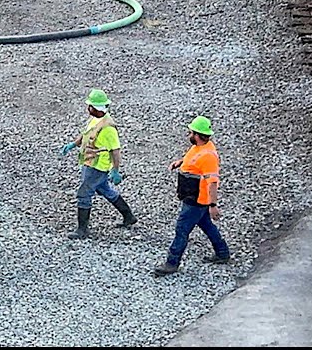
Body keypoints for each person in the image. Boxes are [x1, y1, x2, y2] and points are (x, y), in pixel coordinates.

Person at [154, 116, 231, 276]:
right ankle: (222, 253)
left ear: (197, 134)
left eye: (190, 132)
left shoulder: (208, 156)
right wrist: (181, 162)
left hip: (196, 200)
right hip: (193, 197)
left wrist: (213, 205)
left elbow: (212, 182)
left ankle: (172, 263)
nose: (188, 134)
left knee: (182, 229)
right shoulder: (200, 147)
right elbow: (194, 160)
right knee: (207, 226)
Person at [60, 88, 137, 239]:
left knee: (84, 193)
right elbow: (86, 135)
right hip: (90, 162)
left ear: (95, 108)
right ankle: (128, 216)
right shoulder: (96, 120)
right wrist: (73, 144)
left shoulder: (108, 128)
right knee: (104, 189)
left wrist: (115, 170)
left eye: (90, 106)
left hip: (97, 166)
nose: (87, 108)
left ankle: (82, 230)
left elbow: (115, 151)